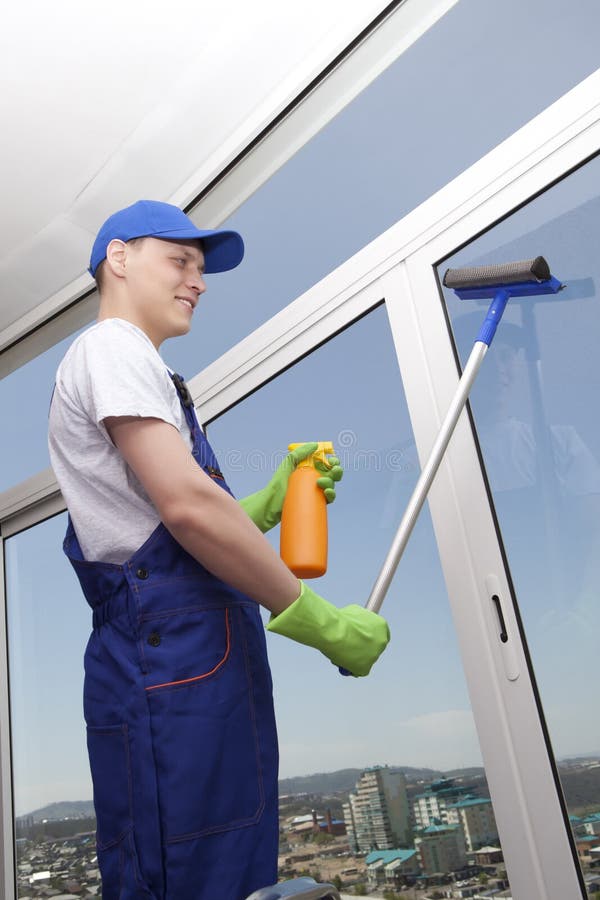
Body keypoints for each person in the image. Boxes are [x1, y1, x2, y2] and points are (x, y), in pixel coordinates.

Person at [47, 200, 390, 900]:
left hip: (190, 652)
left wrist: (274, 499)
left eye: (201, 269)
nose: (198, 281)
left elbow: (175, 522)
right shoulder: (112, 347)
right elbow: (186, 508)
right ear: (118, 257)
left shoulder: (150, 375)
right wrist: (324, 625)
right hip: (168, 654)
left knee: (225, 862)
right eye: (181, 261)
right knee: (189, 871)